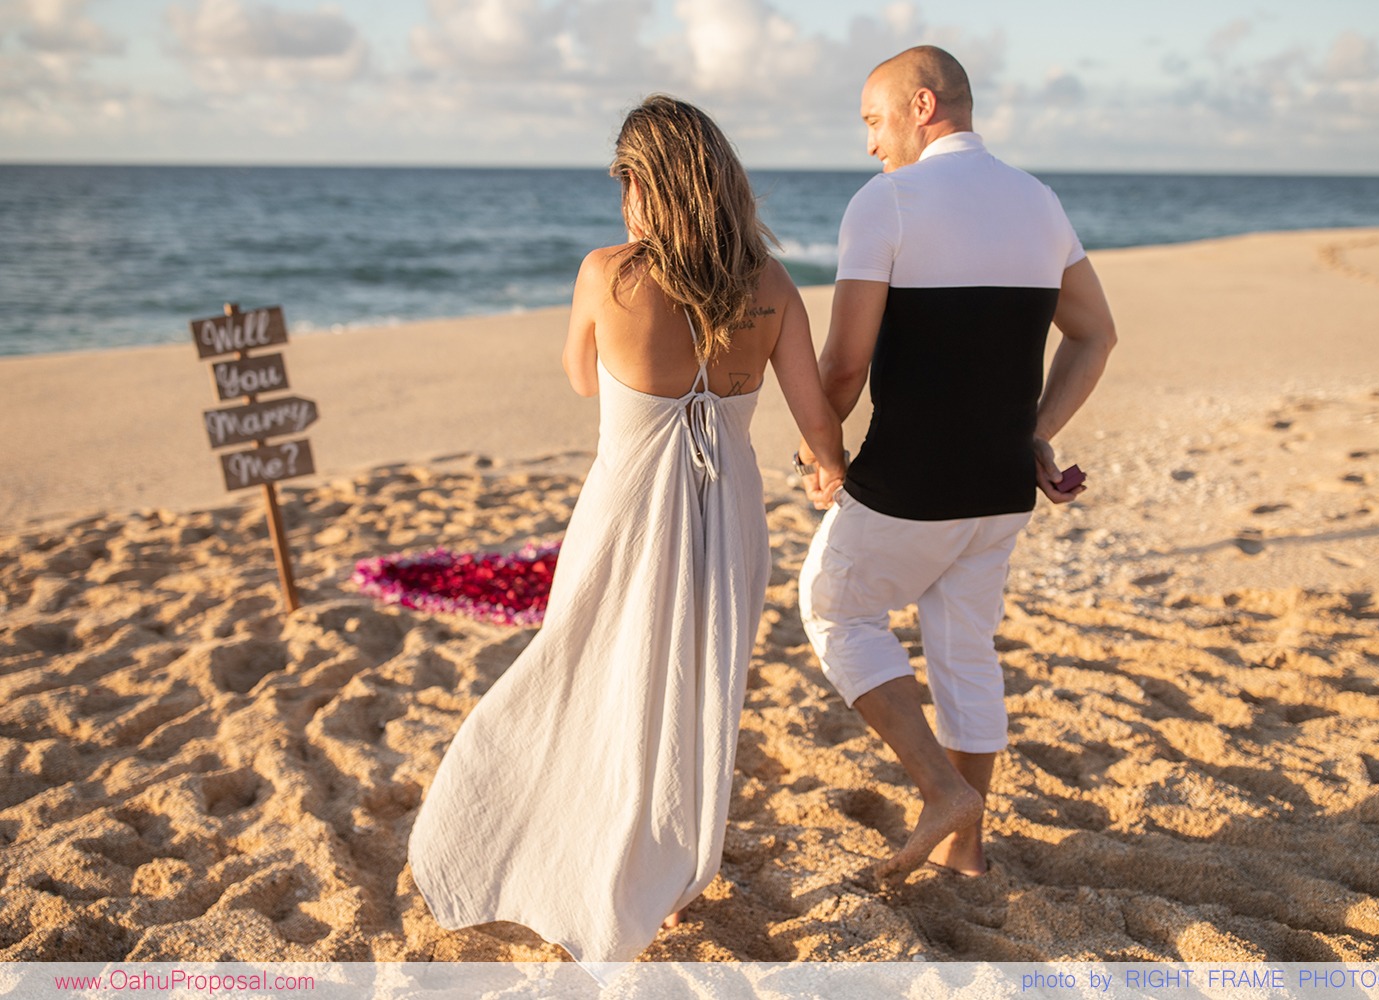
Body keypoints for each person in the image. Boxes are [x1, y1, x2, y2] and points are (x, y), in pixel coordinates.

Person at [408, 95, 846, 964]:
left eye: (625, 182)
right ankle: (665, 876)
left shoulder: (607, 275)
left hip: (622, 517)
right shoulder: (770, 287)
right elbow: (819, 428)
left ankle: (538, 850)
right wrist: (825, 472)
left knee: (581, 675)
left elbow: (578, 377)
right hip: (727, 517)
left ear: (645, 185)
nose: (620, 202)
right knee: (694, 693)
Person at [796, 46, 1117, 885]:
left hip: (910, 487)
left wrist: (821, 454)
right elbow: (1095, 333)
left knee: (834, 610)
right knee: (965, 652)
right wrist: (1035, 432)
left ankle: (942, 793)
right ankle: (967, 852)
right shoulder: (1038, 201)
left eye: (874, 120)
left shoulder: (888, 201)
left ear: (922, 105)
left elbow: (841, 368)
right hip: (999, 490)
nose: (869, 144)